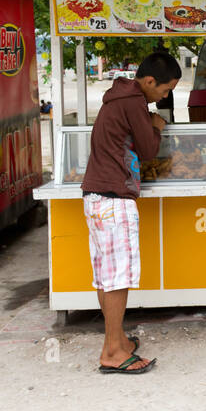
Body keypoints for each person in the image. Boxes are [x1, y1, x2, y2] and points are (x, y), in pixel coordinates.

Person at [80, 51, 180, 375]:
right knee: (118, 278)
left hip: (96, 197)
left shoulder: (117, 98)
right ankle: (112, 351)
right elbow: (149, 150)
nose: (163, 97)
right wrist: (157, 125)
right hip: (113, 199)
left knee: (106, 277)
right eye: (164, 91)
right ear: (149, 81)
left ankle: (118, 338)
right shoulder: (134, 101)